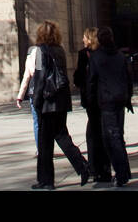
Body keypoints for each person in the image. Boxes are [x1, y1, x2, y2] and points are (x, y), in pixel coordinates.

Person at [30, 21, 89, 191]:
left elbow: (40, 78)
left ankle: (46, 180)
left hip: (47, 102)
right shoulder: (60, 50)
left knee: (44, 143)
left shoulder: (41, 51)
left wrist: (36, 100)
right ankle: (83, 166)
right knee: (62, 136)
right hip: (61, 101)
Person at [87, 25, 134, 187]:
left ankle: (121, 174)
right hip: (120, 101)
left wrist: (90, 101)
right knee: (118, 136)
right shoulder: (120, 56)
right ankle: (125, 171)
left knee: (111, 139)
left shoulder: (96, 57)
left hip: (107, 102)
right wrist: (128, 99)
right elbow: (128, 79)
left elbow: (92, 82)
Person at [73, 27, 111, 183]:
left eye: (84, 37)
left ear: (88, 39)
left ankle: (95, 169)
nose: (82, 40)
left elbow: (78, 78)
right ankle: (106, 169)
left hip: (91, 99)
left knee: (92, 134)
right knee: (102, 133)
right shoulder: (106, 52)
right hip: (105, 98)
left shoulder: (84, 54)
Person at [16, 42, 40, 147]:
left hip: (33, 91)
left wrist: (20, 97)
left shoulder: (30, 57)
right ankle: (46, 148)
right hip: (44, 91)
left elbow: (26, 78)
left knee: (37, 123)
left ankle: (40, 149)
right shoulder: (46, 53)